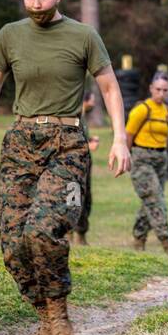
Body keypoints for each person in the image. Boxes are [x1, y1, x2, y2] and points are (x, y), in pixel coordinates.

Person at [0, 0, 130, 335]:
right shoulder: (10, 36)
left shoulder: (83, 36)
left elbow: (109, 88)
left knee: (43, 230)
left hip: (67, 143)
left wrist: (120, 139)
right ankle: (45, 320)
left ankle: (59, 316)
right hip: (21, 142)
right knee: (13, 244)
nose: (36, 4)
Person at [126, 71, 168, 253]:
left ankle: (139, 238)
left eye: (165, 90)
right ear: (150, 89)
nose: (161, 93)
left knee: (151, 200)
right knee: (155, 200)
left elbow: (166, 135)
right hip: (141, 158)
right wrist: (126, 156)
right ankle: (167, 243)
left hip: (160, 159)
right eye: (158, 89)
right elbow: (129, 134)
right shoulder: (142, 109)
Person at [72, 91, 99, 246]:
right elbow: (73, 142)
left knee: (86, 198)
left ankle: (80, 235)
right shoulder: (75, 117)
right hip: (76, 165)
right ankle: (72, 235)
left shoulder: (82, 117)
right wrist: (89, 145)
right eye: (93, 100)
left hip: (86, 163)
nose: (94, 104)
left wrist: (90, 140)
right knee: (74, 197)